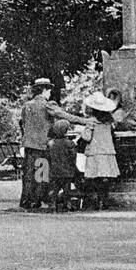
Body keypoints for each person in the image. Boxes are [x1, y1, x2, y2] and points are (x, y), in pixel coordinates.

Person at [19, 78, 93, 209]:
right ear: (44, 90)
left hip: (29, 144)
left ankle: (26, 200)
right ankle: (38, 200)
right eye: (49, 91)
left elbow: (23, 123)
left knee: (29, 173)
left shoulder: (27, 105)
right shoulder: (48, 104)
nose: (49, 94)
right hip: (43, 144)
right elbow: (64, 116)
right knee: (41, 174)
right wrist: (84, 121)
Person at [78, 92, 120, 209]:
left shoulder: (91, 121)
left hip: (95, 152)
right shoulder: (109, 122)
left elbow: (87, 137)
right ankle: (104, 201)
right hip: (107, 152)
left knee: (95, 178)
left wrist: (82, 133)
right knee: (105, 177)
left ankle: (96, 202)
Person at [46, 119, 79, 212]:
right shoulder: (69, 143)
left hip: (54, 170)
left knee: (54, 188)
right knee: (66, 188)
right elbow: (73, 156)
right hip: (66, 170)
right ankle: (67, 204)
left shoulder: (51, 143)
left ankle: (53, 204)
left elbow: (48, 156)